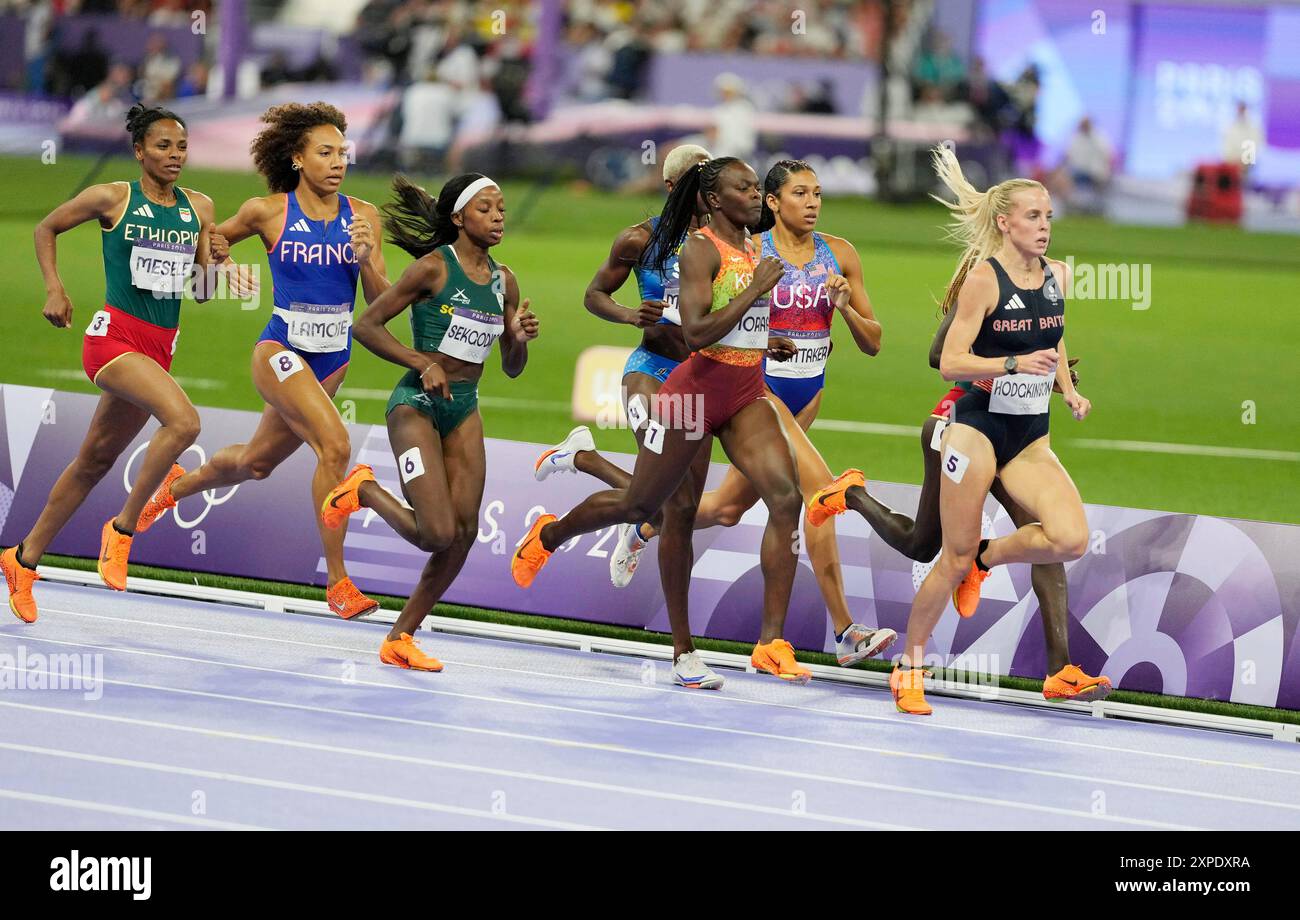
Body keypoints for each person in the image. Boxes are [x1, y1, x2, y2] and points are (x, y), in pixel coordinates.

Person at [514, 157, 856, 684]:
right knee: (655, 508)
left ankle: (770, 643)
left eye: (757, 187)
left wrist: (768, 341)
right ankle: (558, 541)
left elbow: (746, 316)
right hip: (691, 393)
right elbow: (696, 333)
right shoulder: (700, 249)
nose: (756, 195)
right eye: (745, 188)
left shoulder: (754, 242)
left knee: (786, 499)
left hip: (745, 391)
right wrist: (755, 289)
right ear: (715, 200)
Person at [134, 103, 390, 620]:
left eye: (343, 152)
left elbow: (380, 305)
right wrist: (225, 268)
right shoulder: (267, 211)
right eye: (325, 152)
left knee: (257, 462)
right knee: (335, 446)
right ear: (298, 158)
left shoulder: (364, 217)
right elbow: (211, 238)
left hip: (333, 357)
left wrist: (365, 260)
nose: (338, 161)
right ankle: (338, 583)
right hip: (280, 351)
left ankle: (175, 486)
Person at [871, 146, 1093, 715]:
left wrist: (1067, 388)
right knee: (949, 553)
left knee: (1070, 537)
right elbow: (948, 362)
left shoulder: (1059, 275)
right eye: (1032, 217)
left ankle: (987, 559)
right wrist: (1012, 366)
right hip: (975, 430)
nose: (1044, 227)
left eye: (1048, 216)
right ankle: (909, 666)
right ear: (1004, 223)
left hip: (1030, 435)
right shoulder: (983, 280)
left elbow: (1054, 334)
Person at [821, 270, 1108, 702]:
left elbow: (1038, 353)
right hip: (960, 425)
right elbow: (940, 355)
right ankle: (852, 494)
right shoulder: (985, 281)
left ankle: (1059, 670)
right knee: (922, 545)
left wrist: (1047, 378)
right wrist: (1007, 371)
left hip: (1012, 433)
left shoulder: (1038, 288)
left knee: (1044, 537)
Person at [2, 104, 223, 622]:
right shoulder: (113, 198)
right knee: (185, 422)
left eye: (182, 147)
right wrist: (55, 288)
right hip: (113, 338)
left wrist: (217, 260)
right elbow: (46, 228)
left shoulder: (200, 207)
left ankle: (23, 558)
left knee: (94, 461)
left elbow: (205, 293)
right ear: (139, 151)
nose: (174, 155)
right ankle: (122, 530)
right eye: (164, 146)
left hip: (159, 346)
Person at [318, 174, 539, 671]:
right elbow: (365, 326)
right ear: (459, 218)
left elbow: (511, 366)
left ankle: (401, 636)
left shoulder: (506, 280)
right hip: (415, 404)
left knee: (463, 534)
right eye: (487, 208)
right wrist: (423, 362)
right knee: (437, 533)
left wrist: (519, 337)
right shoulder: (433, 270)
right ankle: (363, 490)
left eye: (502, 207)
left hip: (464, 407)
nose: (499, 216)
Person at [531, 143, 727, 688]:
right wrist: (625, 313)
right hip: (652, 372)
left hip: (699, 386)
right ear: (671, 188)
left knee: (674, 513)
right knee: (668, 505)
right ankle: (684, 654)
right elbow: (595, 292)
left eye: (710, 181)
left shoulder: (726, 244)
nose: (706, 192)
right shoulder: (640, 239)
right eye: (694, 181)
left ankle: (584, 458)